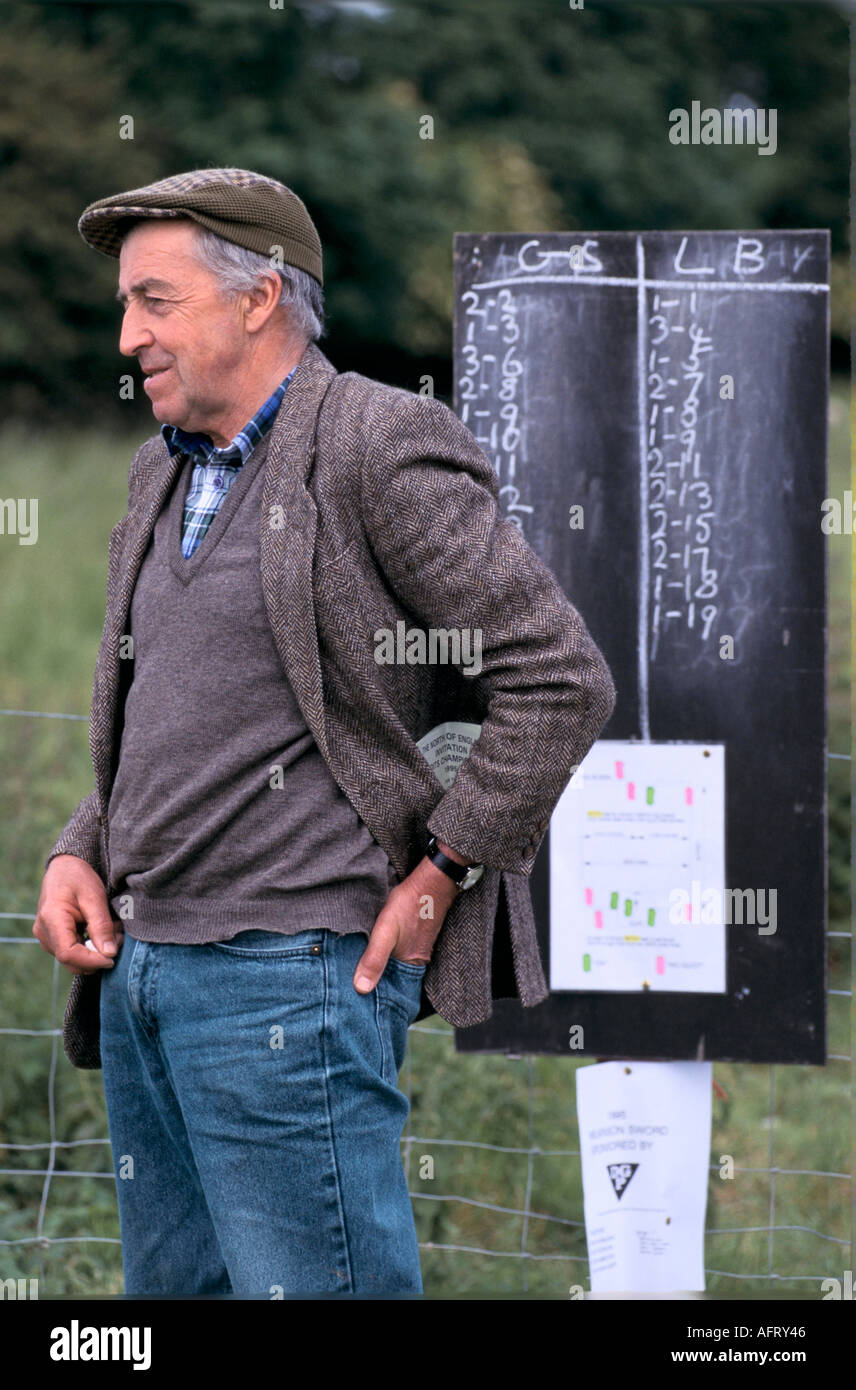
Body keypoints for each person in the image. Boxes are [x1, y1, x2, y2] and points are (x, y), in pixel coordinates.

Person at [32, 168, 616, 1297]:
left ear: (258, 299)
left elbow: (560, 679)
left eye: (155, 301)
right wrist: (77, 847)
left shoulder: (377, 443)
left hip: (289, 980)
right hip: (143, 973)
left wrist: (442, 871)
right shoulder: (159, 471)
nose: (127, 337)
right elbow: (181, 711)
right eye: (125, 305)